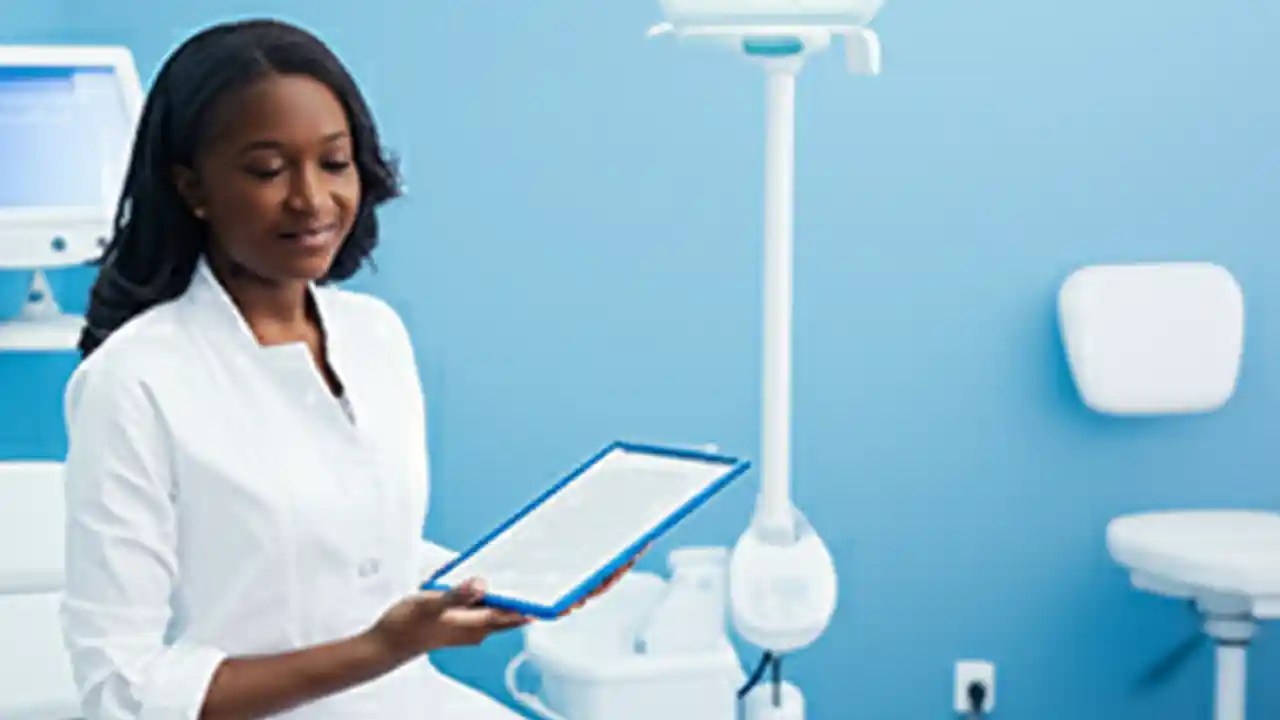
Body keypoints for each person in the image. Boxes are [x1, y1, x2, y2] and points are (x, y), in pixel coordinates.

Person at [60, 18, 628, 720]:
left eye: (334, 162)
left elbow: (363, 558)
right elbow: (121, 687)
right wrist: (379, 649)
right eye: (268, 170)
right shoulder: (136, 381)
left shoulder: (374, 336)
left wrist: (522, 581)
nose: (312, 200)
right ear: (192, 188)